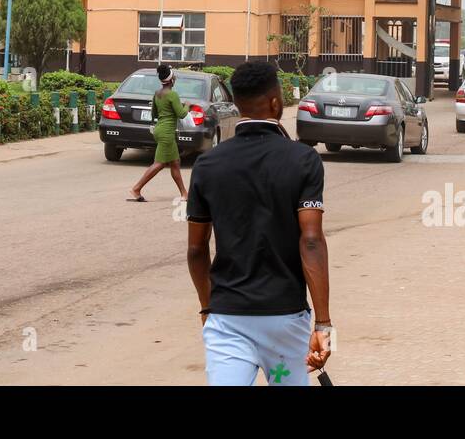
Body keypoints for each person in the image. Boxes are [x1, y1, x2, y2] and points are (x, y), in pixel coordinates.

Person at [186, 60, 331, 386]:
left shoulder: (207, 165)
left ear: (237, 103)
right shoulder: (303, 160)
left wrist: (207, 309)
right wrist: (322, 324)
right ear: (276, 103)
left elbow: (196, 250)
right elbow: (310, 241)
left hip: (227, 319)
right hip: (284, 319)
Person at [126, 64, 188, 202]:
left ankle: (184, 193)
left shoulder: (157, 94)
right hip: (167, 132)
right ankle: (136, 188)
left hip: (160, 129)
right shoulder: (173, 94)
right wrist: (188, 105)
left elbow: (154, 113)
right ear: (171, 80)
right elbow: (182, 114)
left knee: (175, 162)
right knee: (159, 163)